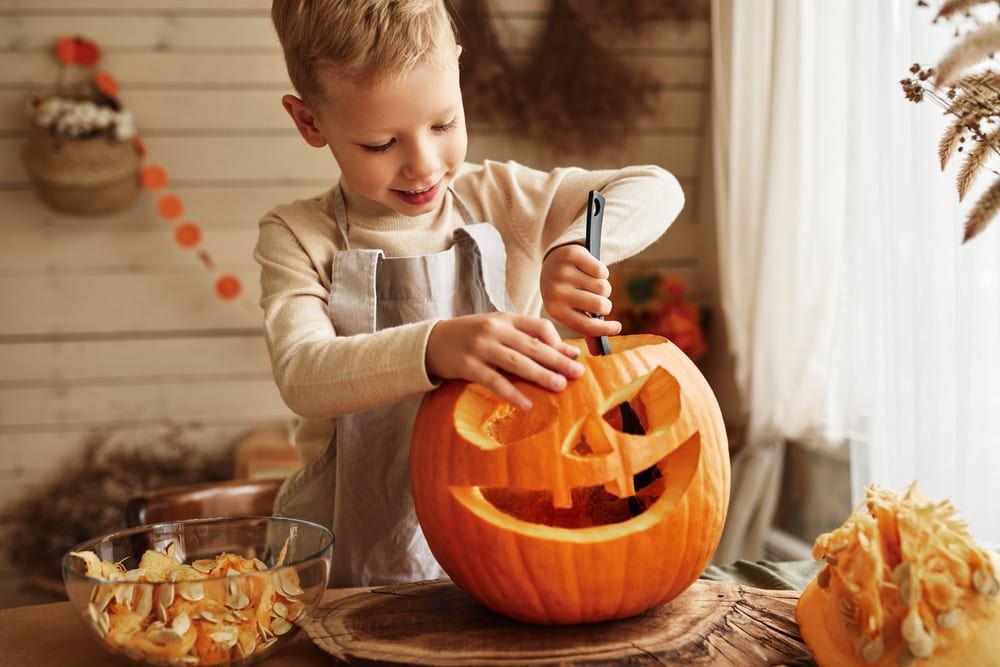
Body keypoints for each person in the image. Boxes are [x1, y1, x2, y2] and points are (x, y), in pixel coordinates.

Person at [256, 0, 685, 587]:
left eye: (443, 124)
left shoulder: (504, 198)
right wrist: (436, 347)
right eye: (381, 144)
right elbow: (303, 374)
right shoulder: (299, 236)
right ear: (311, 123)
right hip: (343, 559)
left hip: (510, 537)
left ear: (459, 71)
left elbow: (656, 187)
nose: (424, 164)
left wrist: (575, 246)